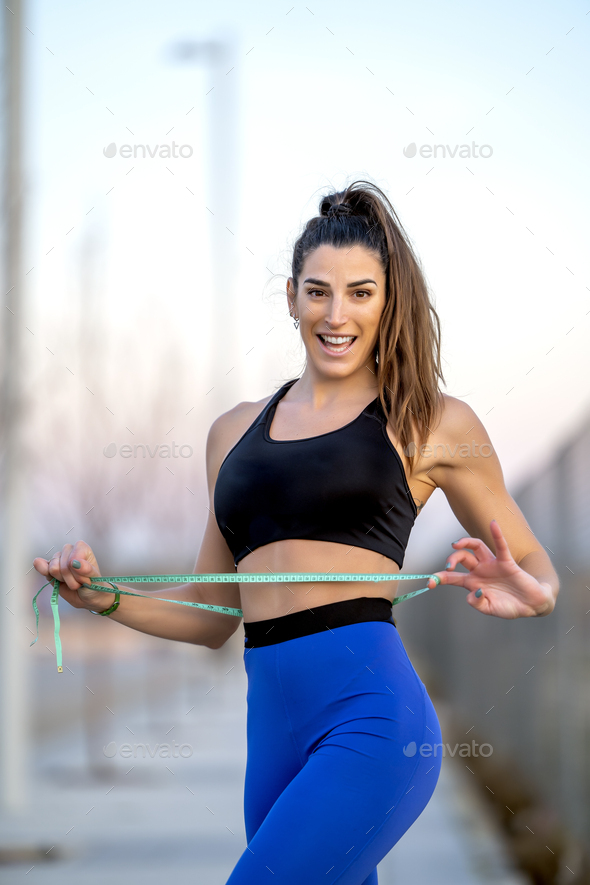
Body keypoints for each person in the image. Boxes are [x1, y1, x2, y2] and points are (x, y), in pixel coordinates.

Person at [33, 180, 559, 885]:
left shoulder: (429, 420)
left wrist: (535, 590)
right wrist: (106, 599)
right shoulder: (232, 432)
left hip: (374, 724)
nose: (336, 315)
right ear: (291, 298)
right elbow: (212, 612)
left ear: (388, 301)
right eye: (318, 292)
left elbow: (530, 562)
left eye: (360, 293)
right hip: (273, 738)